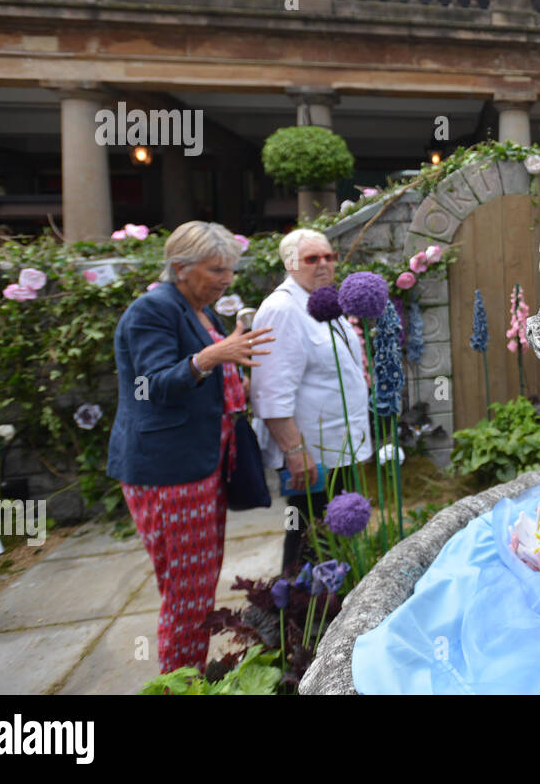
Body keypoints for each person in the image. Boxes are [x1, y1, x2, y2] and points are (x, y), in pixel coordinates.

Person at [108, 221, 274, 674]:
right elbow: (151, 385)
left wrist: (230, 359)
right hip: (168, 473)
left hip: (199, 467)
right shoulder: (152, 310)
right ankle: (177, 684)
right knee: (187, 594)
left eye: (230, 271)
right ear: (180, 268)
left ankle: (189, 677)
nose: (226, 280)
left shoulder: (201, 310)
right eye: (216, 269)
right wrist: (215, 356)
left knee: (198, 585)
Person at [249, 229, 371, 573]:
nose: (324, 265)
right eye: (312, 259)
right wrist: (294, 451)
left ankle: (332, 601)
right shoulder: (282, 309)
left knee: (333, 533)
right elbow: (270, 390)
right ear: (289, 264)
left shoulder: (321, 301)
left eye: (329, 257)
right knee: (303, 531)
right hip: (310, 454)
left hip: (336, 447)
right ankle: (297, 609)